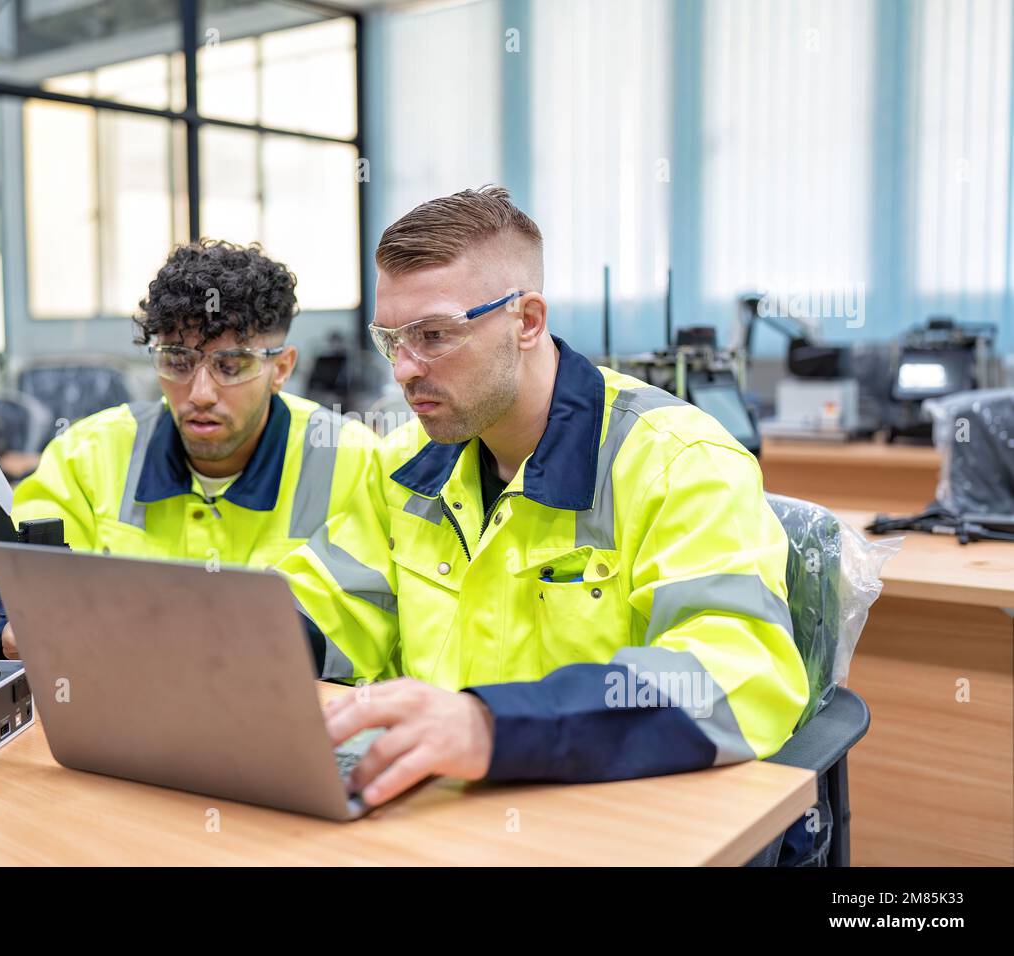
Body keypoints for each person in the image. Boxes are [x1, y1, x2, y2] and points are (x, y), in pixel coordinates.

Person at [277, 186, 809, 808]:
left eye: (435, 335)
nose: (405, 369)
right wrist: (230, 655)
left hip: (608, 815)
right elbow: (333, 608)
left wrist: (491, 726)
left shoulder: (680, 463)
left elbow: (733, 677)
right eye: (392, 338)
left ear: (526, 321)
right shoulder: (401, 465)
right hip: (445, 811)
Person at [0, 240, 378, 661]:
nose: (200, 394)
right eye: (178, 362)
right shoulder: (85, 455)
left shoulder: (352, 460)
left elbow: (359, 631)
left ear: (282, 369)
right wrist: (15, 624)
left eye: (231, 366)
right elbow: (18, 587)